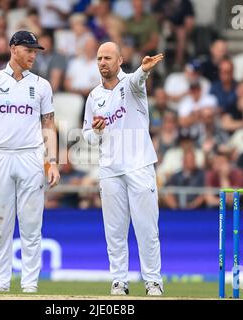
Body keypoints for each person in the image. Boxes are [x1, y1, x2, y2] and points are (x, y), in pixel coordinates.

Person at [0, 30, 60, 293]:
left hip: (31, 157)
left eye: (35, 51)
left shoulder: (42, 85)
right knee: (1, 224)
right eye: (28, 49)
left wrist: (52, 161)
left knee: (32, 225)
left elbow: (49, 125)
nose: (33, 55)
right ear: (13, 49)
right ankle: (0, 282)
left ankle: (30, 284)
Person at [82, 42, 164, 296]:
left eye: (108, 57)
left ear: (120, 60)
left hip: (139, 165)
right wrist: (95, 132)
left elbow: (138, 80)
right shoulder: (93, 96)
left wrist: (144, 69)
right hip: (109, 169)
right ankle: (119, 281)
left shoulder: (131, 84)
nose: (102, 62)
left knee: (146, 228)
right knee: (115, 232)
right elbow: (87, 135)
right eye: (99, 58)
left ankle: (153, 281)